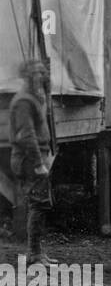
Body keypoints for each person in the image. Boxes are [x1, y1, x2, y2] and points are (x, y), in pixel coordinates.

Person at [8, 58, 53, 266]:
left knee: (40, 205)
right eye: (35, 74)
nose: (40, 77)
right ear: (27, 77)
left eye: (42, 73)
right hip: (28, 158)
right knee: (38, 204)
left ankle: (37, 253)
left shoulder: (35, 98)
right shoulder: (24, 101)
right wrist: (38, 163)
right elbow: (26, 135)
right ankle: (34, 255)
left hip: (34, 156)